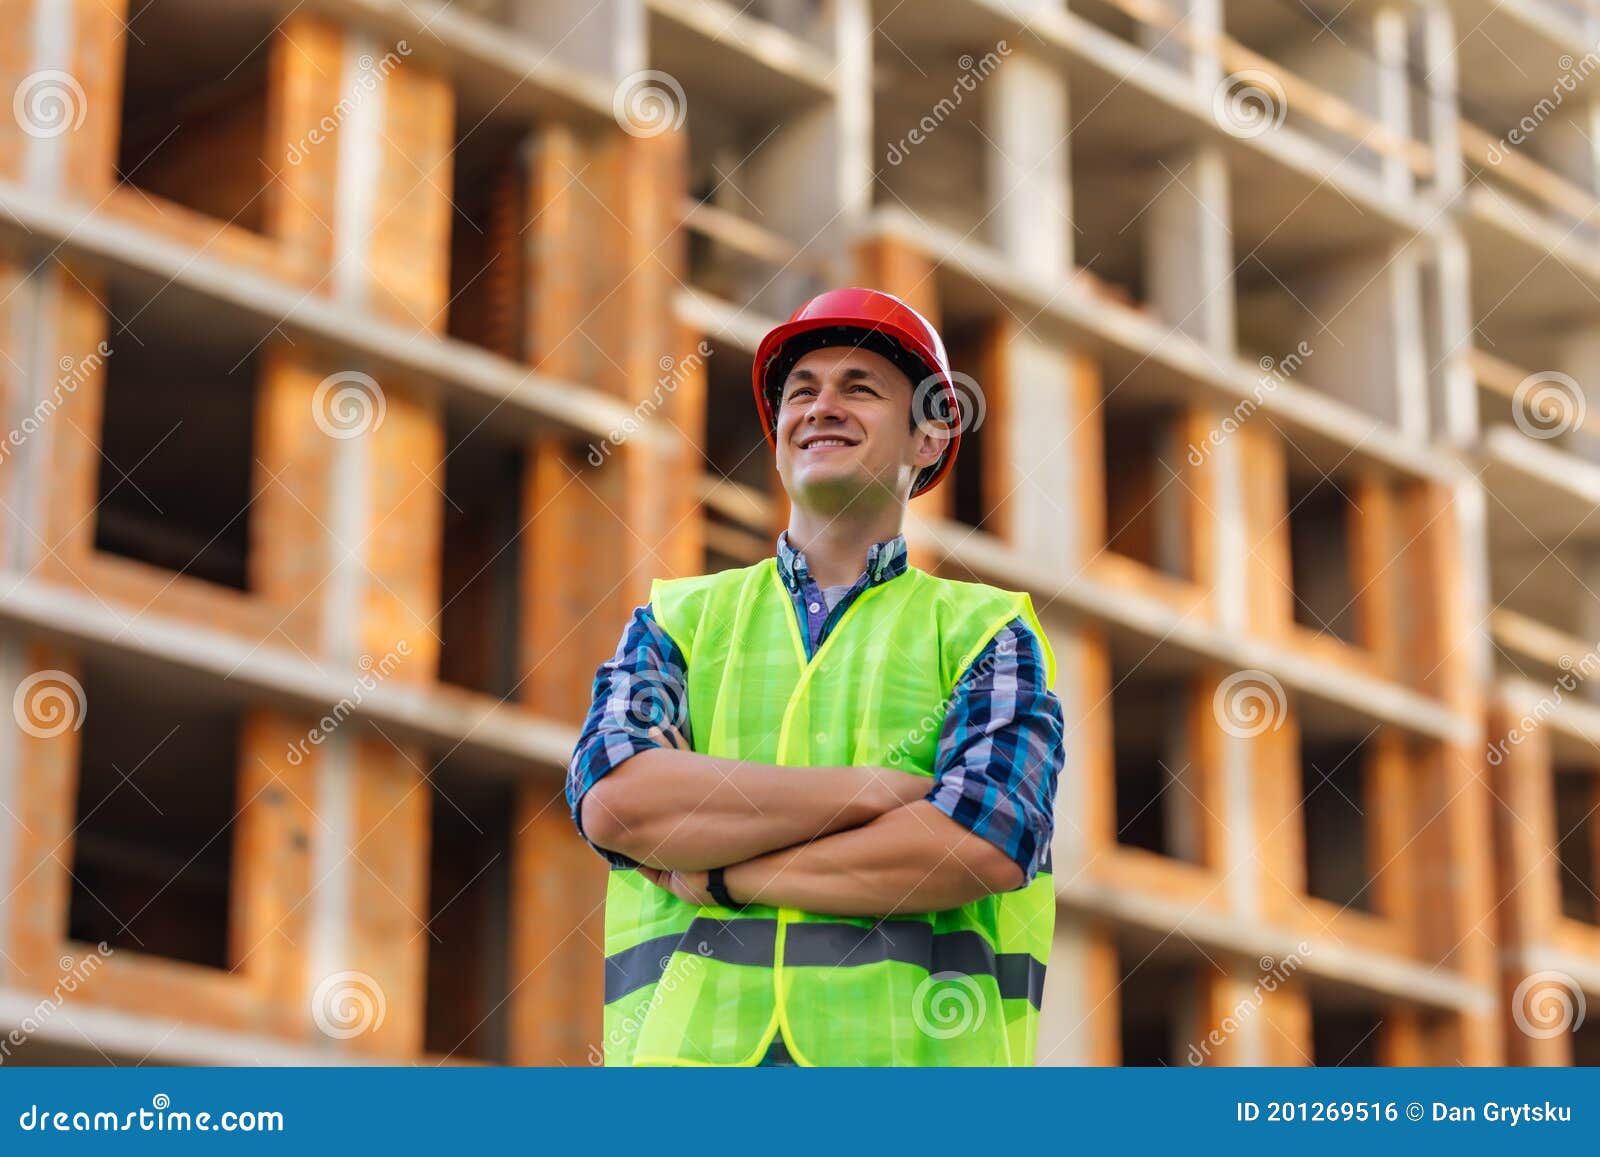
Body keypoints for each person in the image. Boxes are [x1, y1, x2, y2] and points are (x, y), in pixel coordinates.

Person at [565, 287, 1066, 1066]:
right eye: (803, 390)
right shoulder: (680, 619)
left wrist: (729, 874)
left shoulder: (985, 632)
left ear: (929, 438)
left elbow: (982, 840)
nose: (822, 405)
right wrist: (877, 792)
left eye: (859, 387)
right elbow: (618, 803)